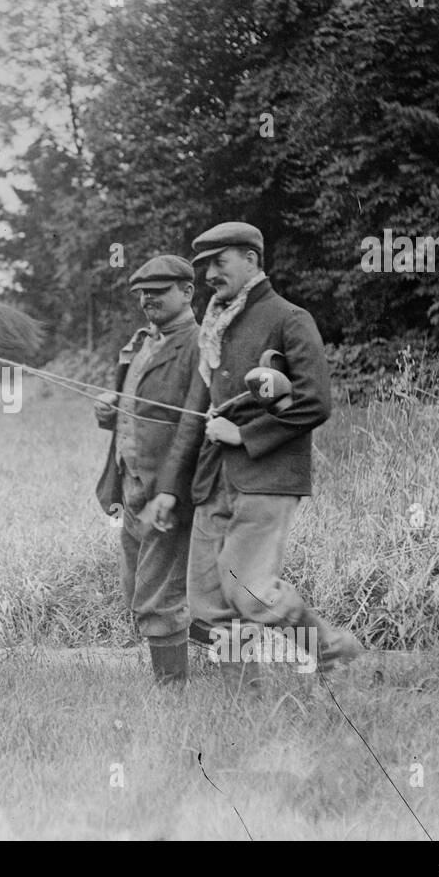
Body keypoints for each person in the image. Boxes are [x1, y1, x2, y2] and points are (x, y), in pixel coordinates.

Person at [142, 222, 362, 693]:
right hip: (211, 481)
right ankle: (245, 700)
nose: (209, 277)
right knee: (208, 602)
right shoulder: (216, 327)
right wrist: (166, 488)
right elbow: (192, 417)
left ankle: (331, 649)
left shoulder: (289, 318)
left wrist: (243, 434)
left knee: (248, 589)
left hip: (268, 479)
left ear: (252, 260)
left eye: (219, 264)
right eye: (203, 268)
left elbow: (315, 402)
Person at [95, 255, 199, 684]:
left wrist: (171, 491)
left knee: (158, 595)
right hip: (132, 484)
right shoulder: (140, 343)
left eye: (158, 291)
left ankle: (171, 692)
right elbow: (134, 408)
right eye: (142, 293)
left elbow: (197, 425)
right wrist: (109, 409)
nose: (147, 300)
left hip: (168, 492)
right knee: (138, 588)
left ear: (188, 292)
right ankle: (204, 661)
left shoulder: (200, 345)